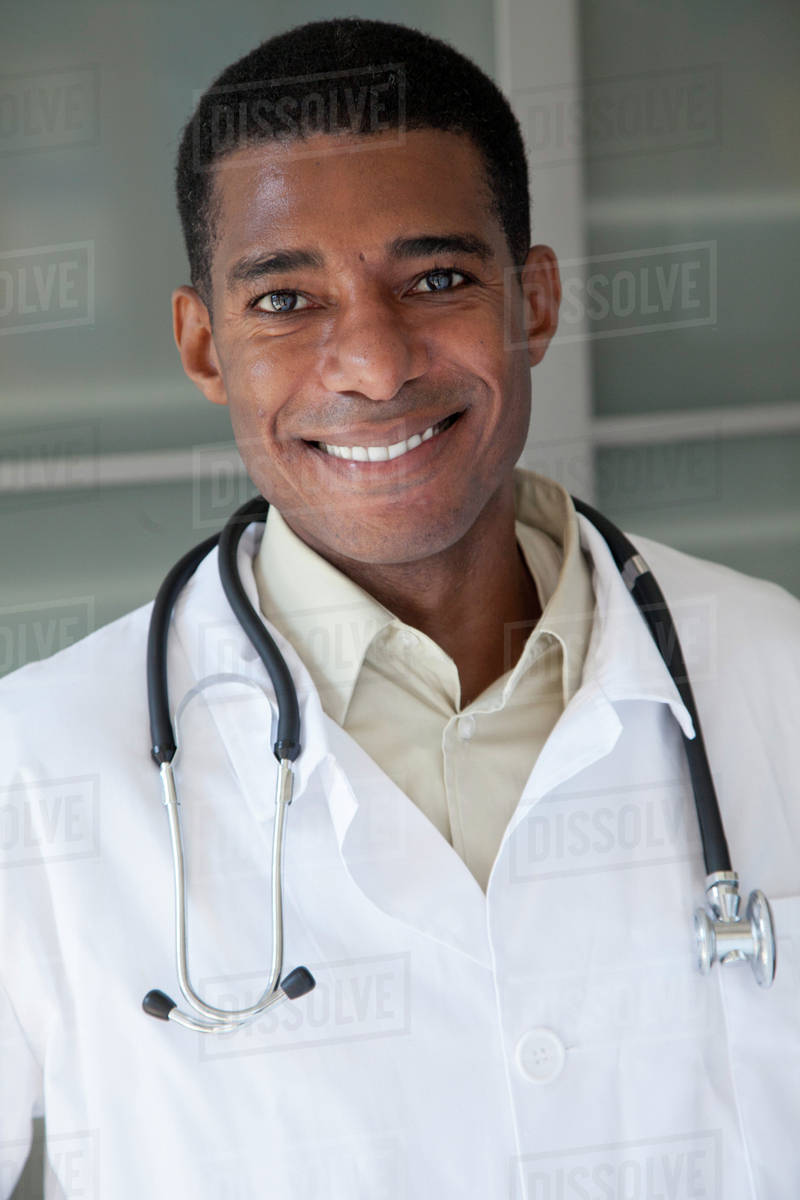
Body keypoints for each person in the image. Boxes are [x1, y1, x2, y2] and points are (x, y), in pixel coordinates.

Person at [1, 16, 799, 1199]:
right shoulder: (32, 778)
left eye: (435, 279)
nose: (373, 364)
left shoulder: (775, 674)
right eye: (284, 300)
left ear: (531, 302)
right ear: (203, 345)